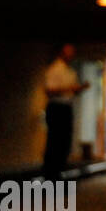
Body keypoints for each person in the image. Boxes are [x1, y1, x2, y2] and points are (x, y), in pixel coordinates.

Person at [42, 43, 88, 180]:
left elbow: (71, 92)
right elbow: (49, 91)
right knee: (54, 142)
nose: (71, 55)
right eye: (69, 52)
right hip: (57, 108)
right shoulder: (55, 69)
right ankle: (50, 175)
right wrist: (69, 88)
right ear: (61, 52)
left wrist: (78, 89)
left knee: (64, 143)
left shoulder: (70, 71)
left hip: (66, 108)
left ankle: (58, 174)